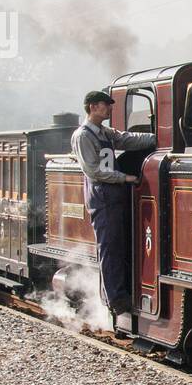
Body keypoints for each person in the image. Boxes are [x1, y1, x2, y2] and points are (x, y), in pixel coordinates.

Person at [71, 90, 156, 315]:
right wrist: (124, 177)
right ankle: (115, 299)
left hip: (114, 195)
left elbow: (126, 139)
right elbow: (94, 170)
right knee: (109, 248)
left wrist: (159, 138)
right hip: (102, 196)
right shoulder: (83, 136)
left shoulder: (104, 132)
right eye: (105, 105)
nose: (110, 108)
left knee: (119, 245)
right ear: (93, 107)